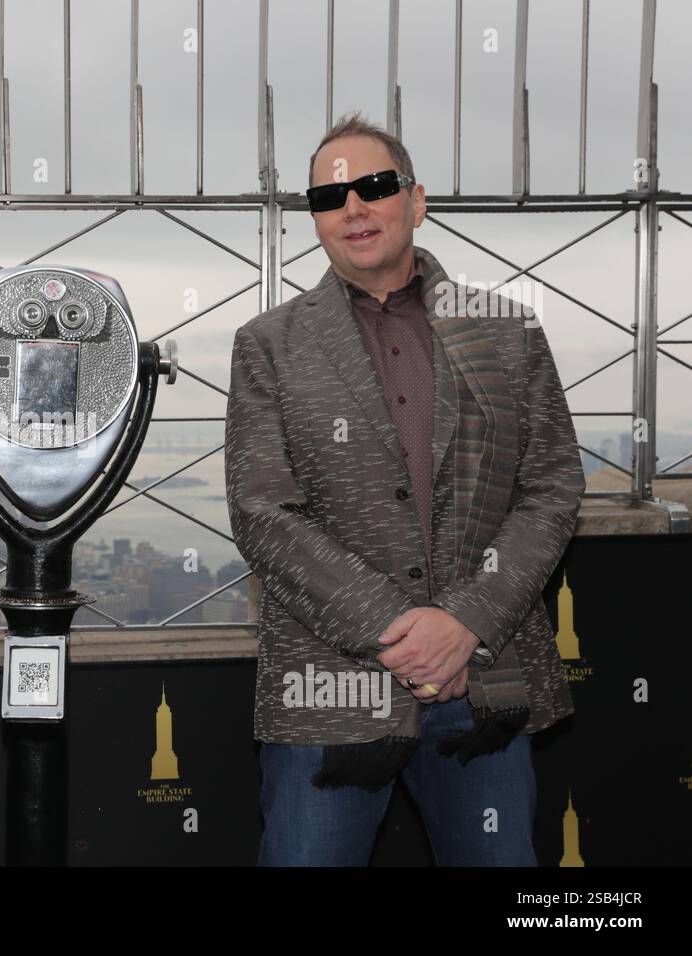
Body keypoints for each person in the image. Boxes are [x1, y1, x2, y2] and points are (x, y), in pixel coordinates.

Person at [224, 112, 584, 866]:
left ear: (416, 200)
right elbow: (263, 511)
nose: (353, 207)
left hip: (481, 682)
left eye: (375, 186)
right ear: (315, 221)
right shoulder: (268, 345)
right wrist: (401, 632)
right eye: (330, 197)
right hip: (329, 690)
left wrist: (466, 622)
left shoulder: (507, 330)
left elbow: (551, 488)